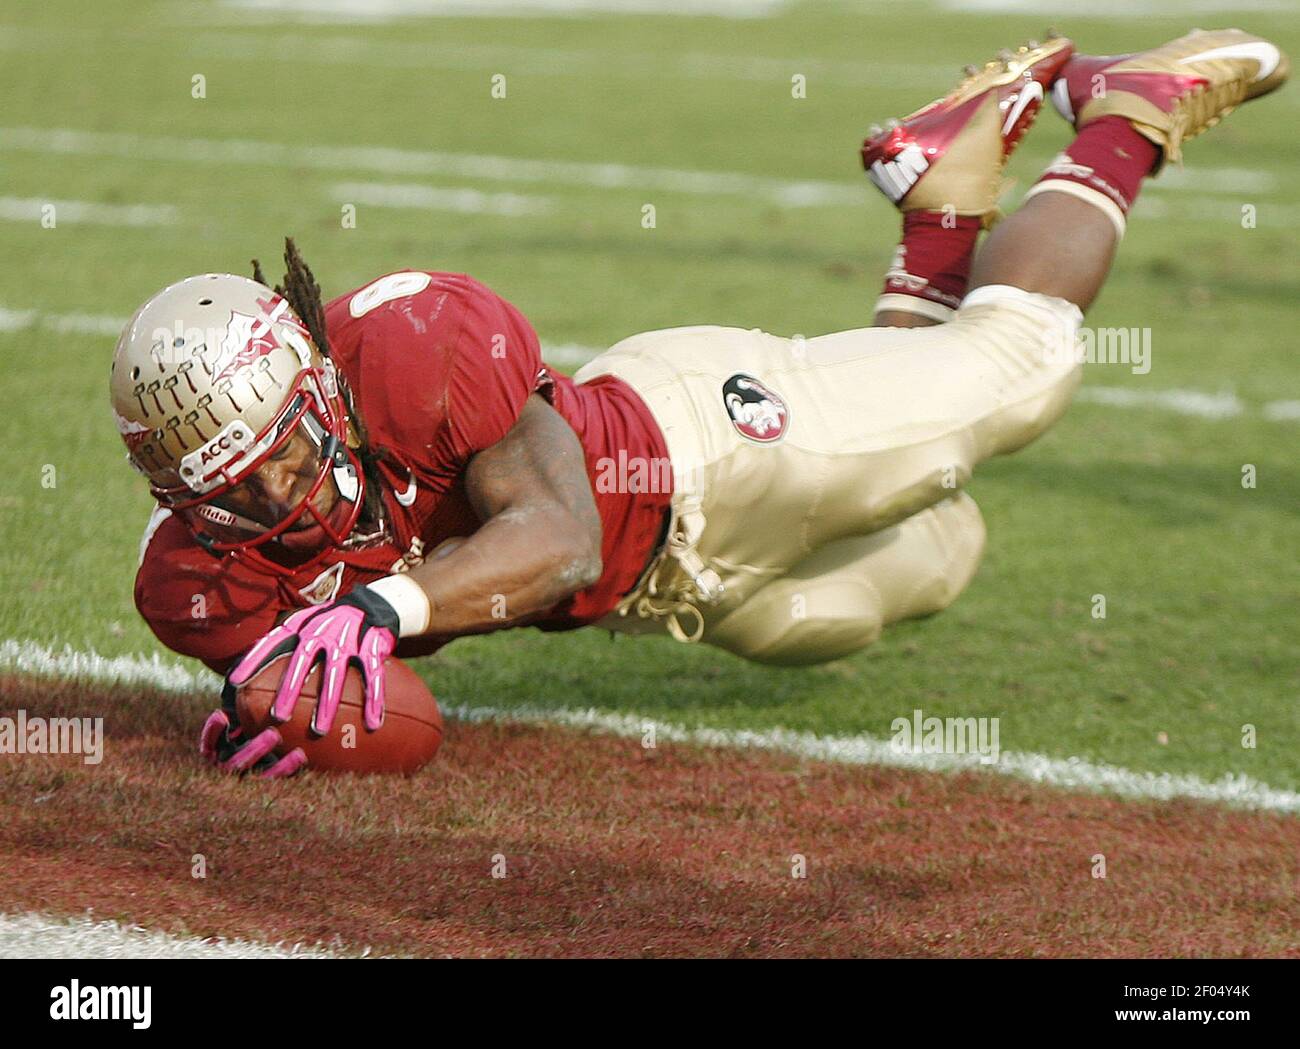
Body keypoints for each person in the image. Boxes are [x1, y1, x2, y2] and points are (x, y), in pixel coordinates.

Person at [110, 29, 1289, 776]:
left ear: (319, 385)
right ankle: (940, 204)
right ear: (176, 495)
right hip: (673, 592)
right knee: (932, 551)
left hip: (705, 445)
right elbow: (364, 697)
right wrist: (283, 712)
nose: (279, 494)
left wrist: (382, 608)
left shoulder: (411, 350)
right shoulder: (197, 581)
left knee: (1019, 373)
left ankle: (1129, 111)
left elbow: (558, 538)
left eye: (287, 452)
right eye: (231, 488)